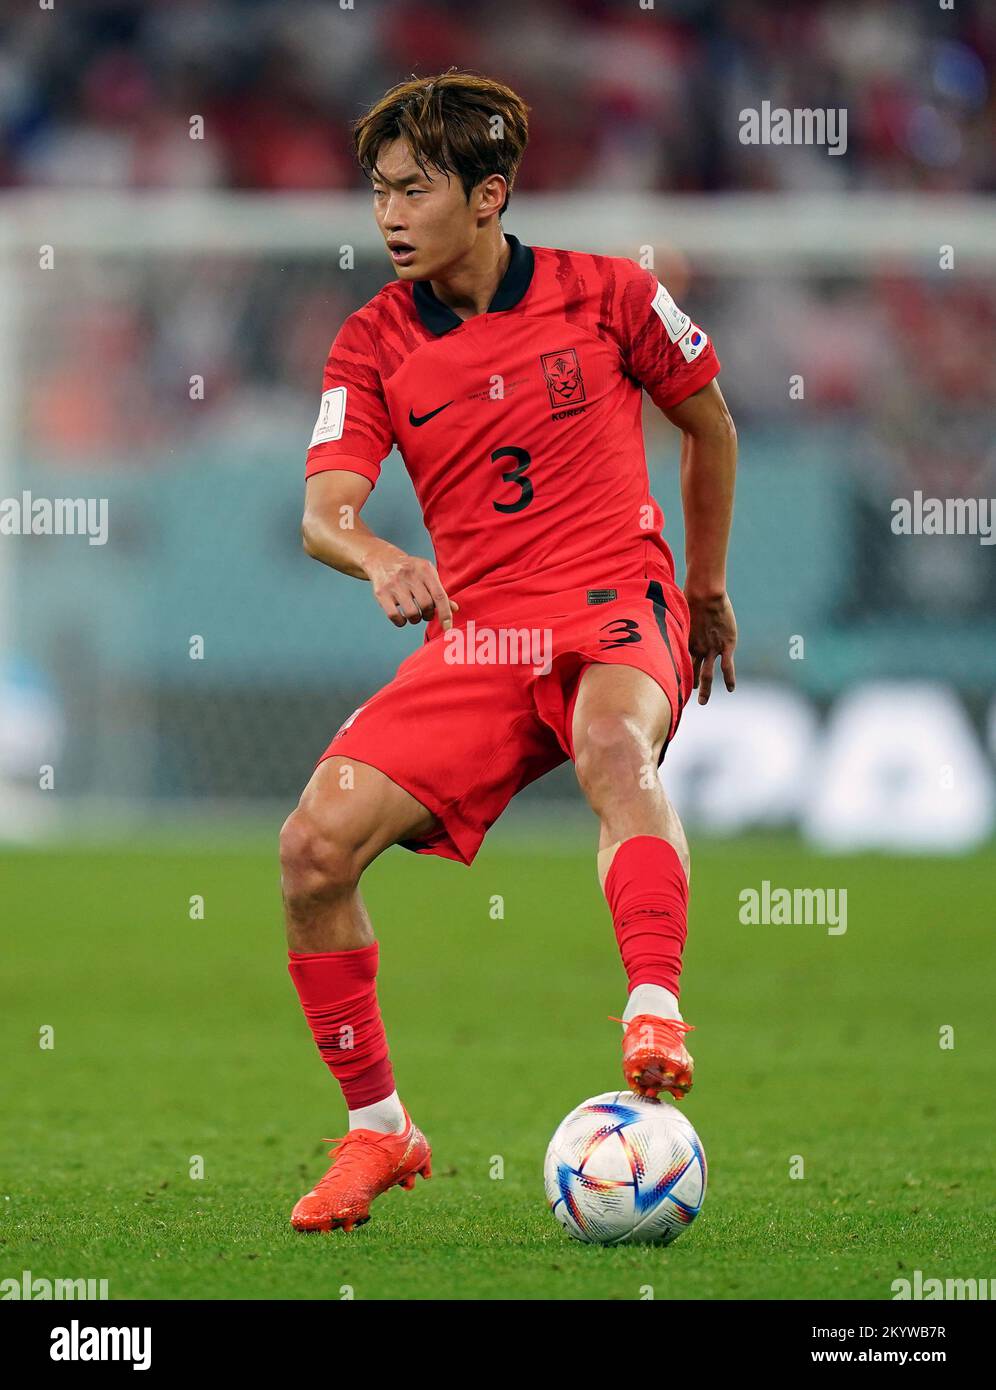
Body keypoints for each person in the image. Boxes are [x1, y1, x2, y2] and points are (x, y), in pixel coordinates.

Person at [280, 71, 737, 1233]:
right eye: (377, 191)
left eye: (413, 191)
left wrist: (706, 586)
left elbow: (708, 419)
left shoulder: (612, 294)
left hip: (613, 598)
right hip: (480, 633)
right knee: (313, 848)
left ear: (487, 196)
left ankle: (653, 1006)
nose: (387, 215)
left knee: (613, 753)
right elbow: (325, 509)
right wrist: (379, 557)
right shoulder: (373, 338)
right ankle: (380, 1133)